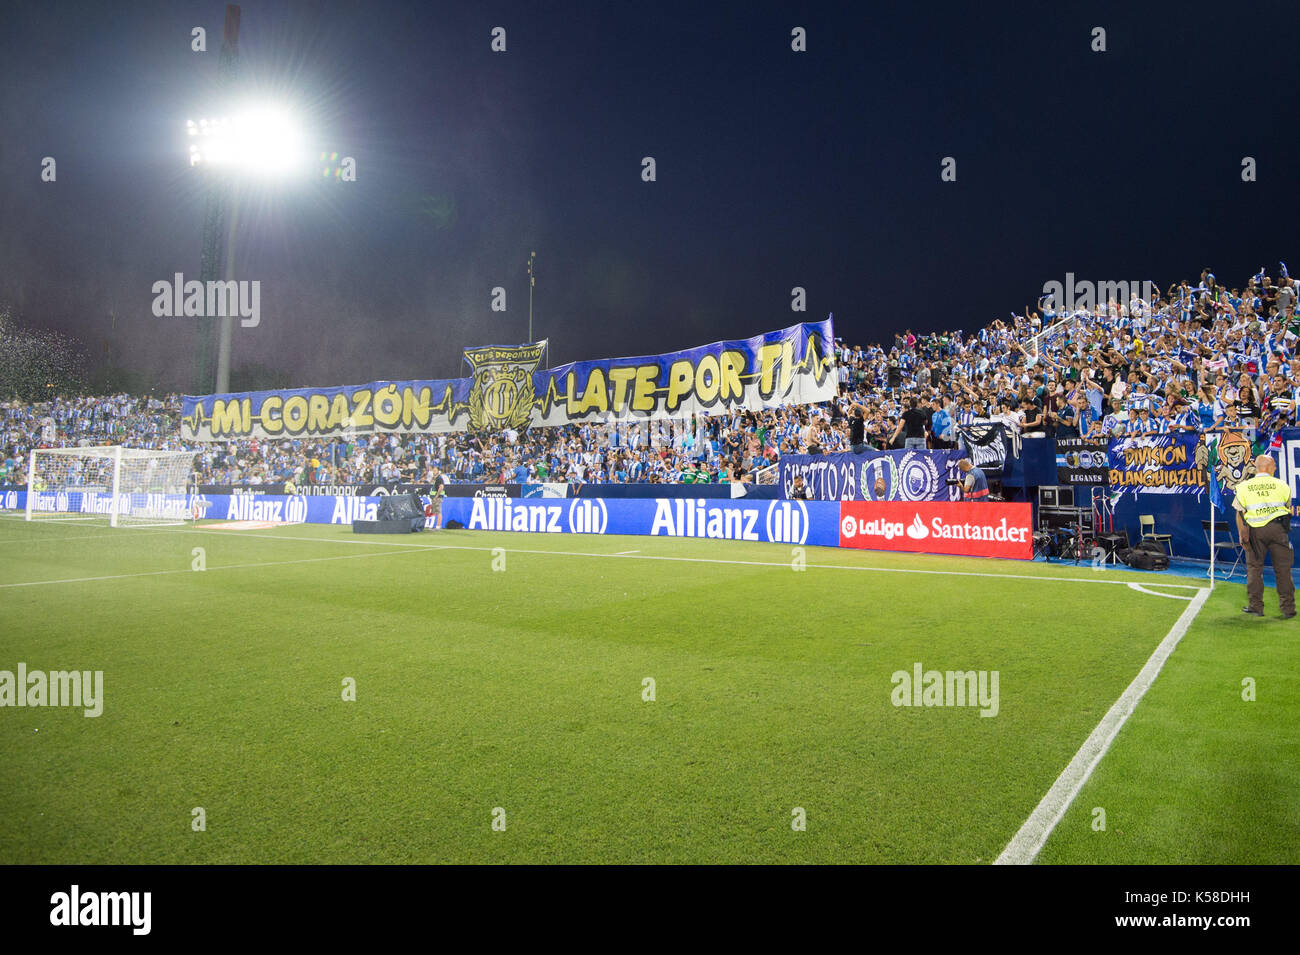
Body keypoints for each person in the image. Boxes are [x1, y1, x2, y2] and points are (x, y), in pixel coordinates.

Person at [1235, 454, 1295, 618]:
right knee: (1283, 570)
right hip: (1278, 529)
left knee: (1254, 568)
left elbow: (1239, 513)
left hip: (1255, 531)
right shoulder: (1282, 485)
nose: (1275, 468)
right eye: (1274, 466)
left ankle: (1256, 606)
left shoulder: (1244, 486)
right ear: (1268, 467)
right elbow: (1288, 508)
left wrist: (1242, 536)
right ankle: (1288, 609)